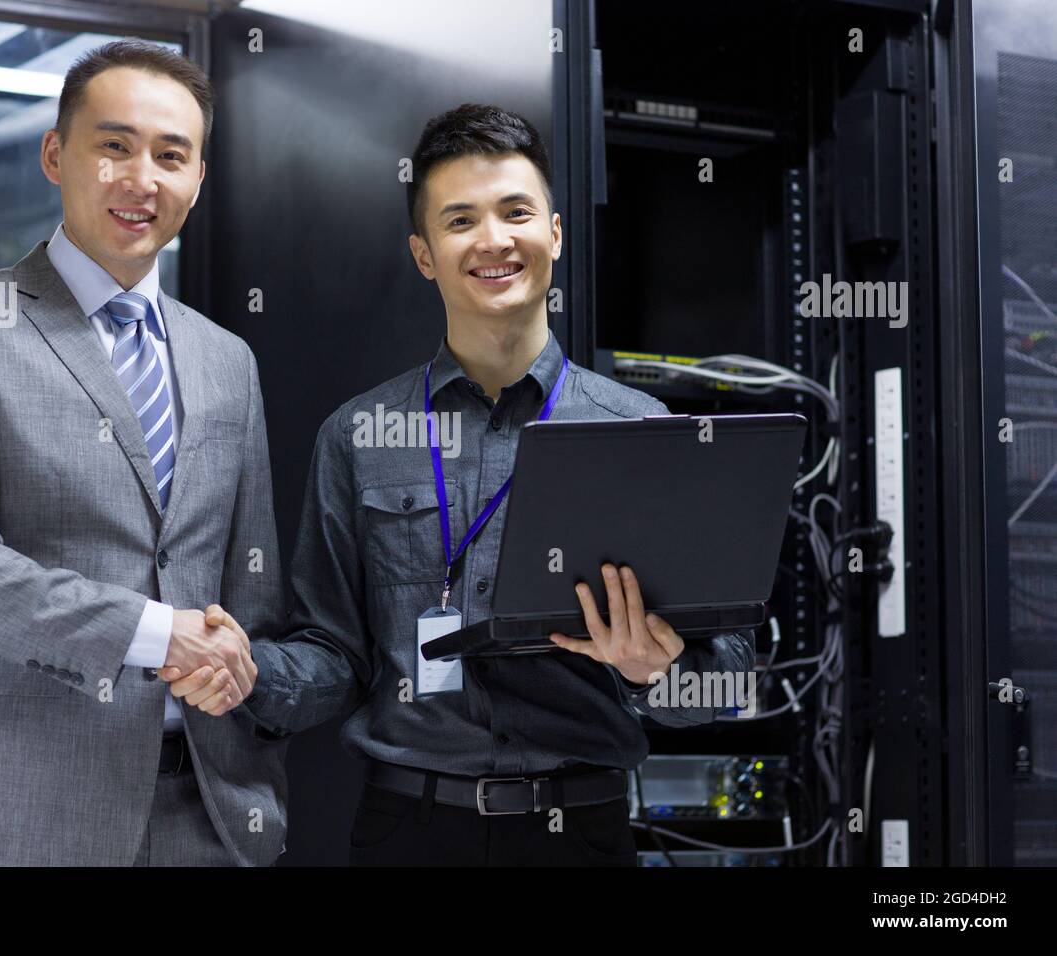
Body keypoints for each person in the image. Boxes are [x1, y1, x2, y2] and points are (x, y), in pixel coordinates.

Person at [168, 103, 757, 866]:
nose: (492, 240)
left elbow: (732, 670)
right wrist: (248, 672)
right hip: (408, 828)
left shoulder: (641, 429)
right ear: (424, 253)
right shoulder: (357, 435)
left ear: (554, 232)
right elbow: (334, 657)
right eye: (459, 220)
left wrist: (658, 673)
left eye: (516, 212)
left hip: (579, 832)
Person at [0, 40, 281, 866]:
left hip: (204, 820)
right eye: (115, 145)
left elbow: (251, 597)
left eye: (172, 156)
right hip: (20, 818)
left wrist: (238, 665)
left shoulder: (227, 362)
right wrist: (151, 633)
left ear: (199, 180)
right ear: (56, 155)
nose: (143, 179)